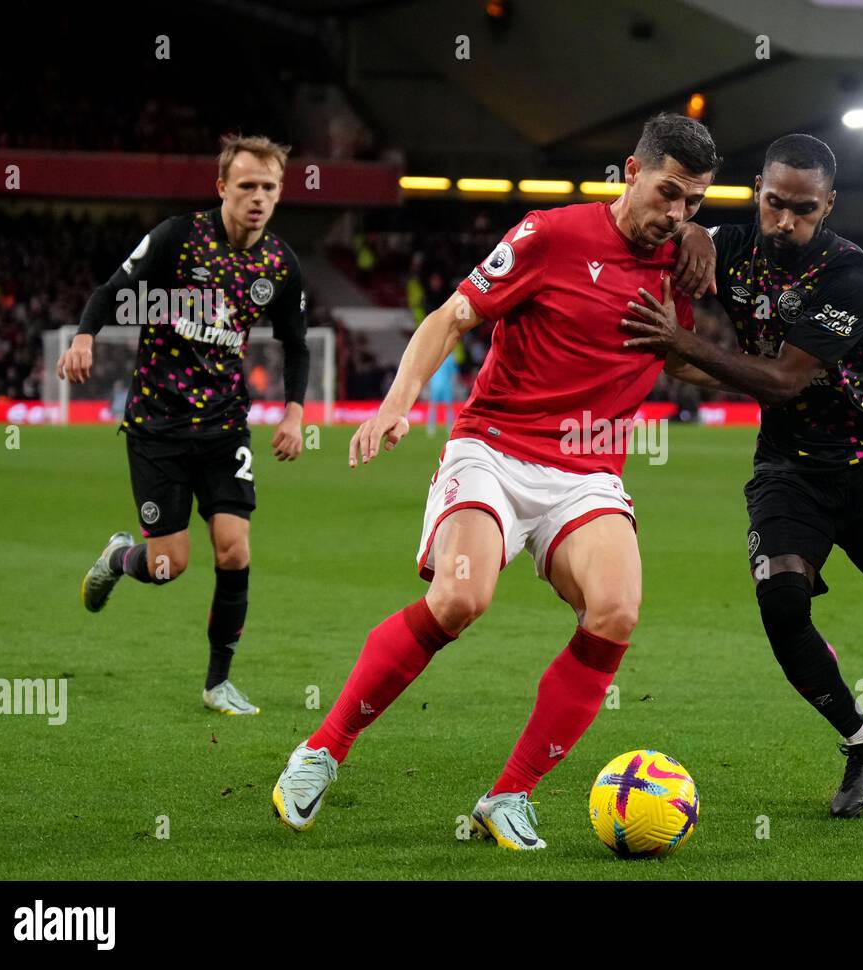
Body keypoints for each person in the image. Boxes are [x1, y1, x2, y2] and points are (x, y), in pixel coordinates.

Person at [271, 113, 722, 848]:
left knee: (616, 611)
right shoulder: (551, 235)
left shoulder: (683, 261)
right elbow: (452, 317)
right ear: (632, 172)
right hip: (495, 450)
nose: (676, 214)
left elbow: (679, 351)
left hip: (588, 472)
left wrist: (771, 376)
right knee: (460, 597)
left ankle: (509, 796)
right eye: (668, 193)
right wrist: (396, 405)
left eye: (694, 203)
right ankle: (322, 750)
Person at [621, 133, 863, 819]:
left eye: (804, 210)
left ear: (829, 205)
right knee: (782, 605)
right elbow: (669, 228)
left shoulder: (850, 275)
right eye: (775, 204)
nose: (785, 221)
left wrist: (679, 341)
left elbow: (784, 381)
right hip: (789, 468)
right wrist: (692, 231)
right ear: (757, 191)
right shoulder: (730, 246)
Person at [62, 134, 309, 716]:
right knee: (167, 565)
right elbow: (113, 290)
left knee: (234, 550)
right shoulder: (178, 237)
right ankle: (119, 558)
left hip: (224, 426)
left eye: (268, 187)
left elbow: (296, 344)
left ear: (280, 193)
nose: (258, 197)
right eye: (246, 185)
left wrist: (295, 412)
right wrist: (84, 336)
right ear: (222, 187)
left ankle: (218, 682)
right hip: (158, 426)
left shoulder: (279, 264)